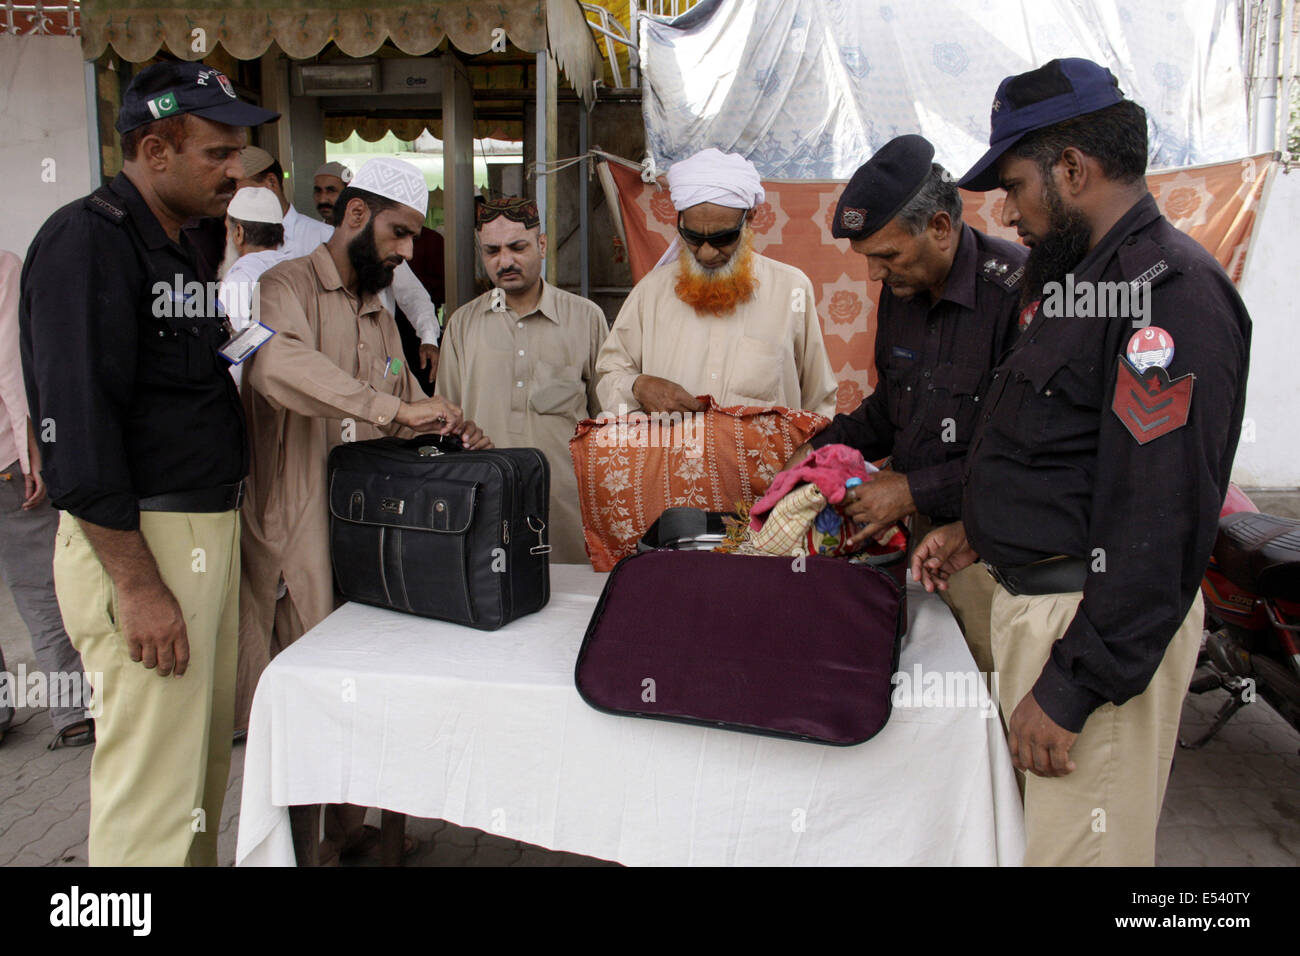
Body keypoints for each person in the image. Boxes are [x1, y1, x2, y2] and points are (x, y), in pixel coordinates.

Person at [911, 58, 1251, 866]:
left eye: (1018, 183)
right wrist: (981, 530)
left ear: (1072, 169)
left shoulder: (1165, 295)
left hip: (1090, 634)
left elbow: (1160, 518)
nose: (1008, 211)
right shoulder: (1081, 285)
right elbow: (1066, 456)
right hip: (1046, 612)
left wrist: (1072, 687)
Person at [19, 61, 278, 866]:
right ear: (154, 148)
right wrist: (136, 585)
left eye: (241, 152)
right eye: (219, 153)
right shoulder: (87, 240)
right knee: (151, 803)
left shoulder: (174, 241)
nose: (238, 171)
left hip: (196, 531)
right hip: (142, 543)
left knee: (193, 788)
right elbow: (78, 430)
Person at [235, 160, 489, 861]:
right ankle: (301, 850)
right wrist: (390, 406)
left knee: (367, 688)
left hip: (368, 530)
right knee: (306, 697)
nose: (408, 252)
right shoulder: (280, 288)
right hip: (300, 528)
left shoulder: (380, 311)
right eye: (398, 234)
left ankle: (361, 837)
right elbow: (276, 366)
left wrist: (445, 425)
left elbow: (405, 401)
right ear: (354, 216)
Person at [782, 135, 1025, 676]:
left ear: (940, 227)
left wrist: (912, 490)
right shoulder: (902, 293)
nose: (874, 276)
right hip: (917, 545)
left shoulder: (1018, 293)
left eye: (886, 256)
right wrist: (814, 450)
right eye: (868, 259)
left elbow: (1026, 454)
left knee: (989, 703)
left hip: (989, 555)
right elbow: (891, 410)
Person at [596, 148, 837, 417]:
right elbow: (609, 374)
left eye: (723, 238)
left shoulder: (793, 290)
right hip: (672, 459)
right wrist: (638, 387)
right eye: (694, 238)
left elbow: (820, 402)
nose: (706, 253)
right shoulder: (650, 293)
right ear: (680, 223)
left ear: (751, 218)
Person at [436, 197, 606, 563]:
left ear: (541, 245)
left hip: (563, 502)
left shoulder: (585, 319)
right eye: (492, 251)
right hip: (482, 498)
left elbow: (605, 420)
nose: (505, 261)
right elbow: (445, 419)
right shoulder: (463, 325)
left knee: (568, 606)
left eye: (517, 247)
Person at [0, 250, 92, 750]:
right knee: (40, 590)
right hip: (8, 462)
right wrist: (28, 447)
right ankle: (72, 711)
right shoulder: (4, 266)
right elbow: (11, 368)